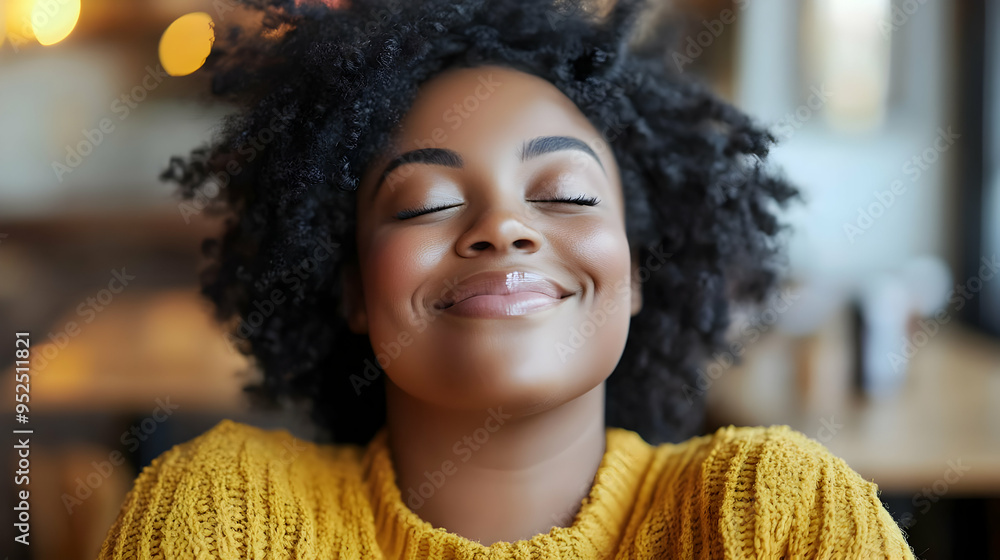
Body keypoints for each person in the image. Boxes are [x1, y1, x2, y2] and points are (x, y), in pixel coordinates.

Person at [97, 0, 916, 557]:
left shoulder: (779, 518)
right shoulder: (230, 520)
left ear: (634, 273)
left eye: (564, 194)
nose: (503, 227)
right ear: (349, 286)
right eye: (424, 205)